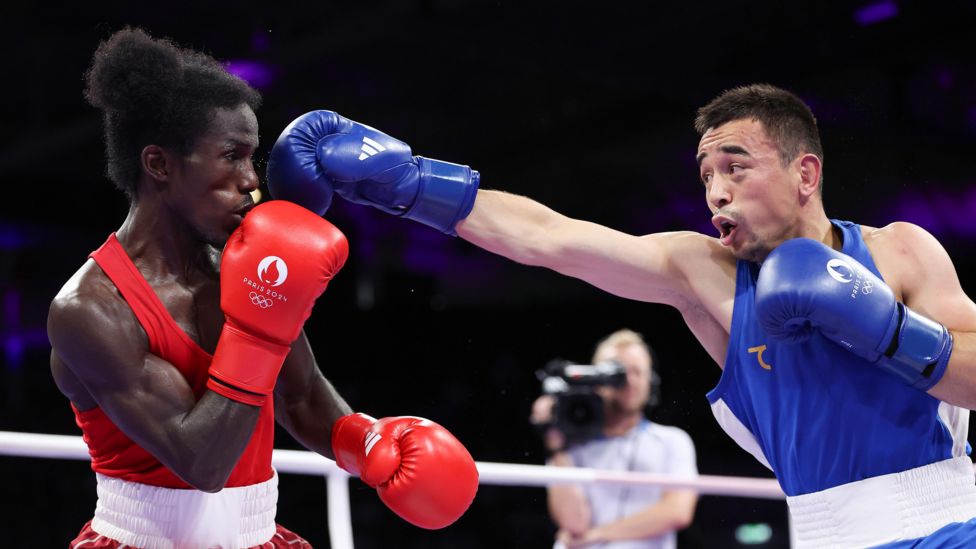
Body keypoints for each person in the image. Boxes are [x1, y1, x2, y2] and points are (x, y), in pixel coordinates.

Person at [266, 83, 976, 547]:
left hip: (949, 521)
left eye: (736, 167)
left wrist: (886, 329)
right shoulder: (708, 274)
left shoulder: (900, 250)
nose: (715, 192)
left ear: (805, 173)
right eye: (705, 176)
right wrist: (409, 183)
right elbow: (549, 237)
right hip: (822, 533)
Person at [47, 28, 478, 549]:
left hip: (259, 535)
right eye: (231, 156)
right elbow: (202, 460)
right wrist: (257, 329)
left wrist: (361, 442)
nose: (252, 180)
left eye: (252, 158)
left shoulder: (244, 263)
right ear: (159, 164)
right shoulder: (91, 308)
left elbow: (299, 396)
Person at [530, 329, 697, 549]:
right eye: (618, 372)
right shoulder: (569, 445)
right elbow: (574, 524)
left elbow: (677, 511)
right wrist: (555, 441)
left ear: (652, 382)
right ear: (596, 378)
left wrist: (598, 534)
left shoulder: (672, 441)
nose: (629, 381)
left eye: (638, 372)